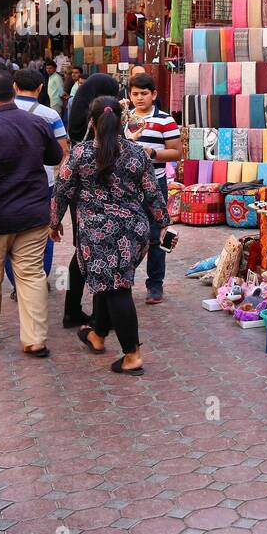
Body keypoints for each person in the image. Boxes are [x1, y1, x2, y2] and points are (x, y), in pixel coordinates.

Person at [52, 95, 170, 376]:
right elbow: (153, 192)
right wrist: (163, 223)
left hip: (98, 235)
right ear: (122, 121)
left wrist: (54, 221)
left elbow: (62, 190)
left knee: (117, 288)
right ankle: (97, 335)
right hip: (135, 231)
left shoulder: (80, 154)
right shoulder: (137, 153)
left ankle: (132, 355)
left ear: (92, 122)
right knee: (109, 282)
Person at [0, 68, 61, 357]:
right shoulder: (36, 121)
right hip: (33, 213)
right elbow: (55, 156)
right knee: (32, 275)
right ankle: (35, 339)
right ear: (13, 88)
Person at [61, 73, 120, 328]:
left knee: (82, 254)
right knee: (100, 258)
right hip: (106, 209)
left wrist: (54, 221)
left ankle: (72, 309)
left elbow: (63, 187)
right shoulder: (105, 136)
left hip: (82, 204)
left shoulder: (77, 127)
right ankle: (98, 317)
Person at [3, 68, 70, 288]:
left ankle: (17, 283)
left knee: (8, 232)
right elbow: (63, 153)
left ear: (14, 86)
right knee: (43, 230)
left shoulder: (0, 112)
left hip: (7, 183)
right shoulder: (50, 115)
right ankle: (40, 277)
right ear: (41, 88)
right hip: (43, 183)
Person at [125, 72, 181, 304]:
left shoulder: (165, 120)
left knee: (157, 233)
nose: (139, 98)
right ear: (129, 95)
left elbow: (177, 152)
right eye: (135, 94)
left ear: (154, 94)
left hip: (156, 182)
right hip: (127, 185)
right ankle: (124, 280)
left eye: (144, 94)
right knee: (127, 234)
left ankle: (155, 285)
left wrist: (152, 153)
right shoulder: (124, 119)